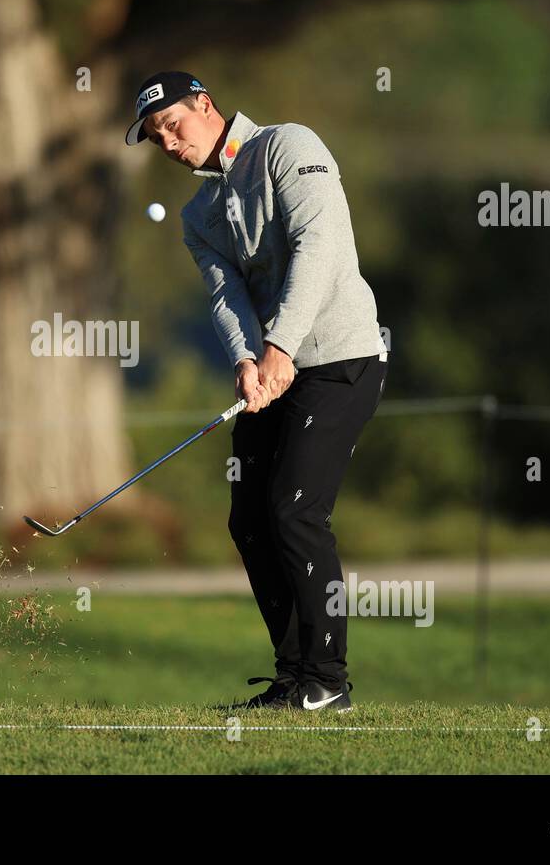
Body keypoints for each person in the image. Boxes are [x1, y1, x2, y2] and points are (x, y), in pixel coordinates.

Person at [125, 71, 388, 712]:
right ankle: (295, 676)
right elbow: (226, 294)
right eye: (156, 136)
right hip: (273, 370)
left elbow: (318, 248)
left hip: (341, 359)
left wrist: (282, 346)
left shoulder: (288, 147)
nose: (168, 141)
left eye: (172, 124)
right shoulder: (198, 216)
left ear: (205, 105)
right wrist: (247, 358)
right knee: (249, 519)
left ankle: (328, 678)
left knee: (294, 509)